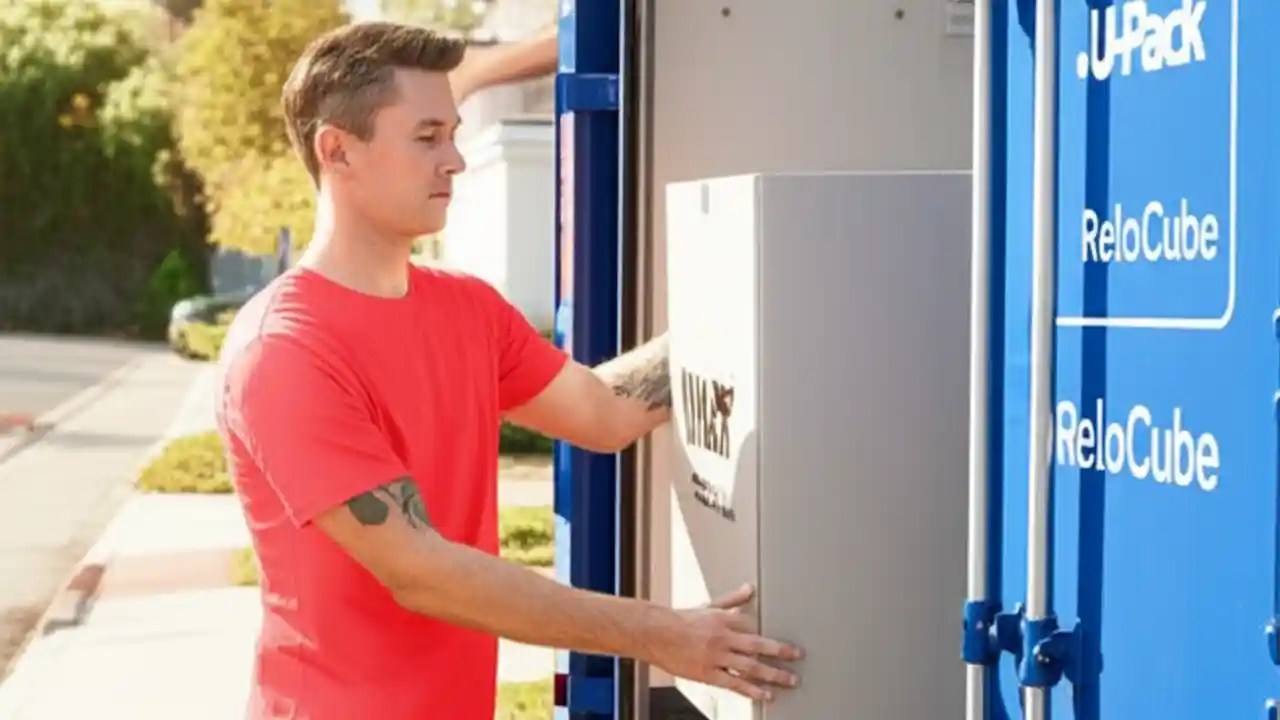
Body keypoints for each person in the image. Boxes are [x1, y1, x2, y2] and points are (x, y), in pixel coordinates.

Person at [214, 21, 802, 720]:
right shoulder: (283, 352)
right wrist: (661, 633)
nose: (456, 160)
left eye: (454, 134)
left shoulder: (465, 307)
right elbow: (419, 571)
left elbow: (604, 413)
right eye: (427, 137)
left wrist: (748, 309)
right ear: (337, 150)